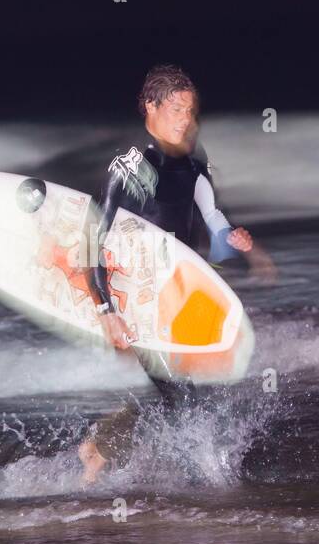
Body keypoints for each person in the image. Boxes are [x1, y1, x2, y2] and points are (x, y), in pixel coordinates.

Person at [77, 64, 275, 483]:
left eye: (190, 111)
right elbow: (93, 240)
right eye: (177, 110)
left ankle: (102, 446)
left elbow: (213, 218)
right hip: (134, 297)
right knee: (180, 395)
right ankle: (207, 482)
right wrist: (107, 311)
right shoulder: (128, 168)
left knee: (182, 390)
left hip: (175, 295)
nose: (186, 120)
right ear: (150, 106)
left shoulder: (193, 164)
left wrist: (236, 240)